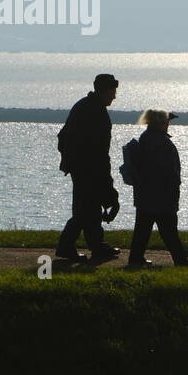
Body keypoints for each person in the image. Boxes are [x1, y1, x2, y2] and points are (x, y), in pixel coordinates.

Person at [55, 74, 123, 262]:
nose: (114, 96)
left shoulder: (83, 106)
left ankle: (95, 245)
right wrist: (105, 181)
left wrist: (70, 161)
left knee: (89, 209)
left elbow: (62, 138)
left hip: (80, 167)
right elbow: (101, 152)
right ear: (104, 91)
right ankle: (68, 246)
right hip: (88, 169)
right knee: (85, 210)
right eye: (112, 91)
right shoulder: (97, 113)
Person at [127, 109, 188, 268]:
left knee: (143, 229)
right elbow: (167, 170)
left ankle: (136, 258)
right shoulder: (161, 142)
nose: (168, 124)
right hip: (161, 193)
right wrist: (173, 188)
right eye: (167, 121)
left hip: (145, 192)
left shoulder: (146, 138)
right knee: (168, 228)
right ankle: (180, 258)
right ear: (161, 123)